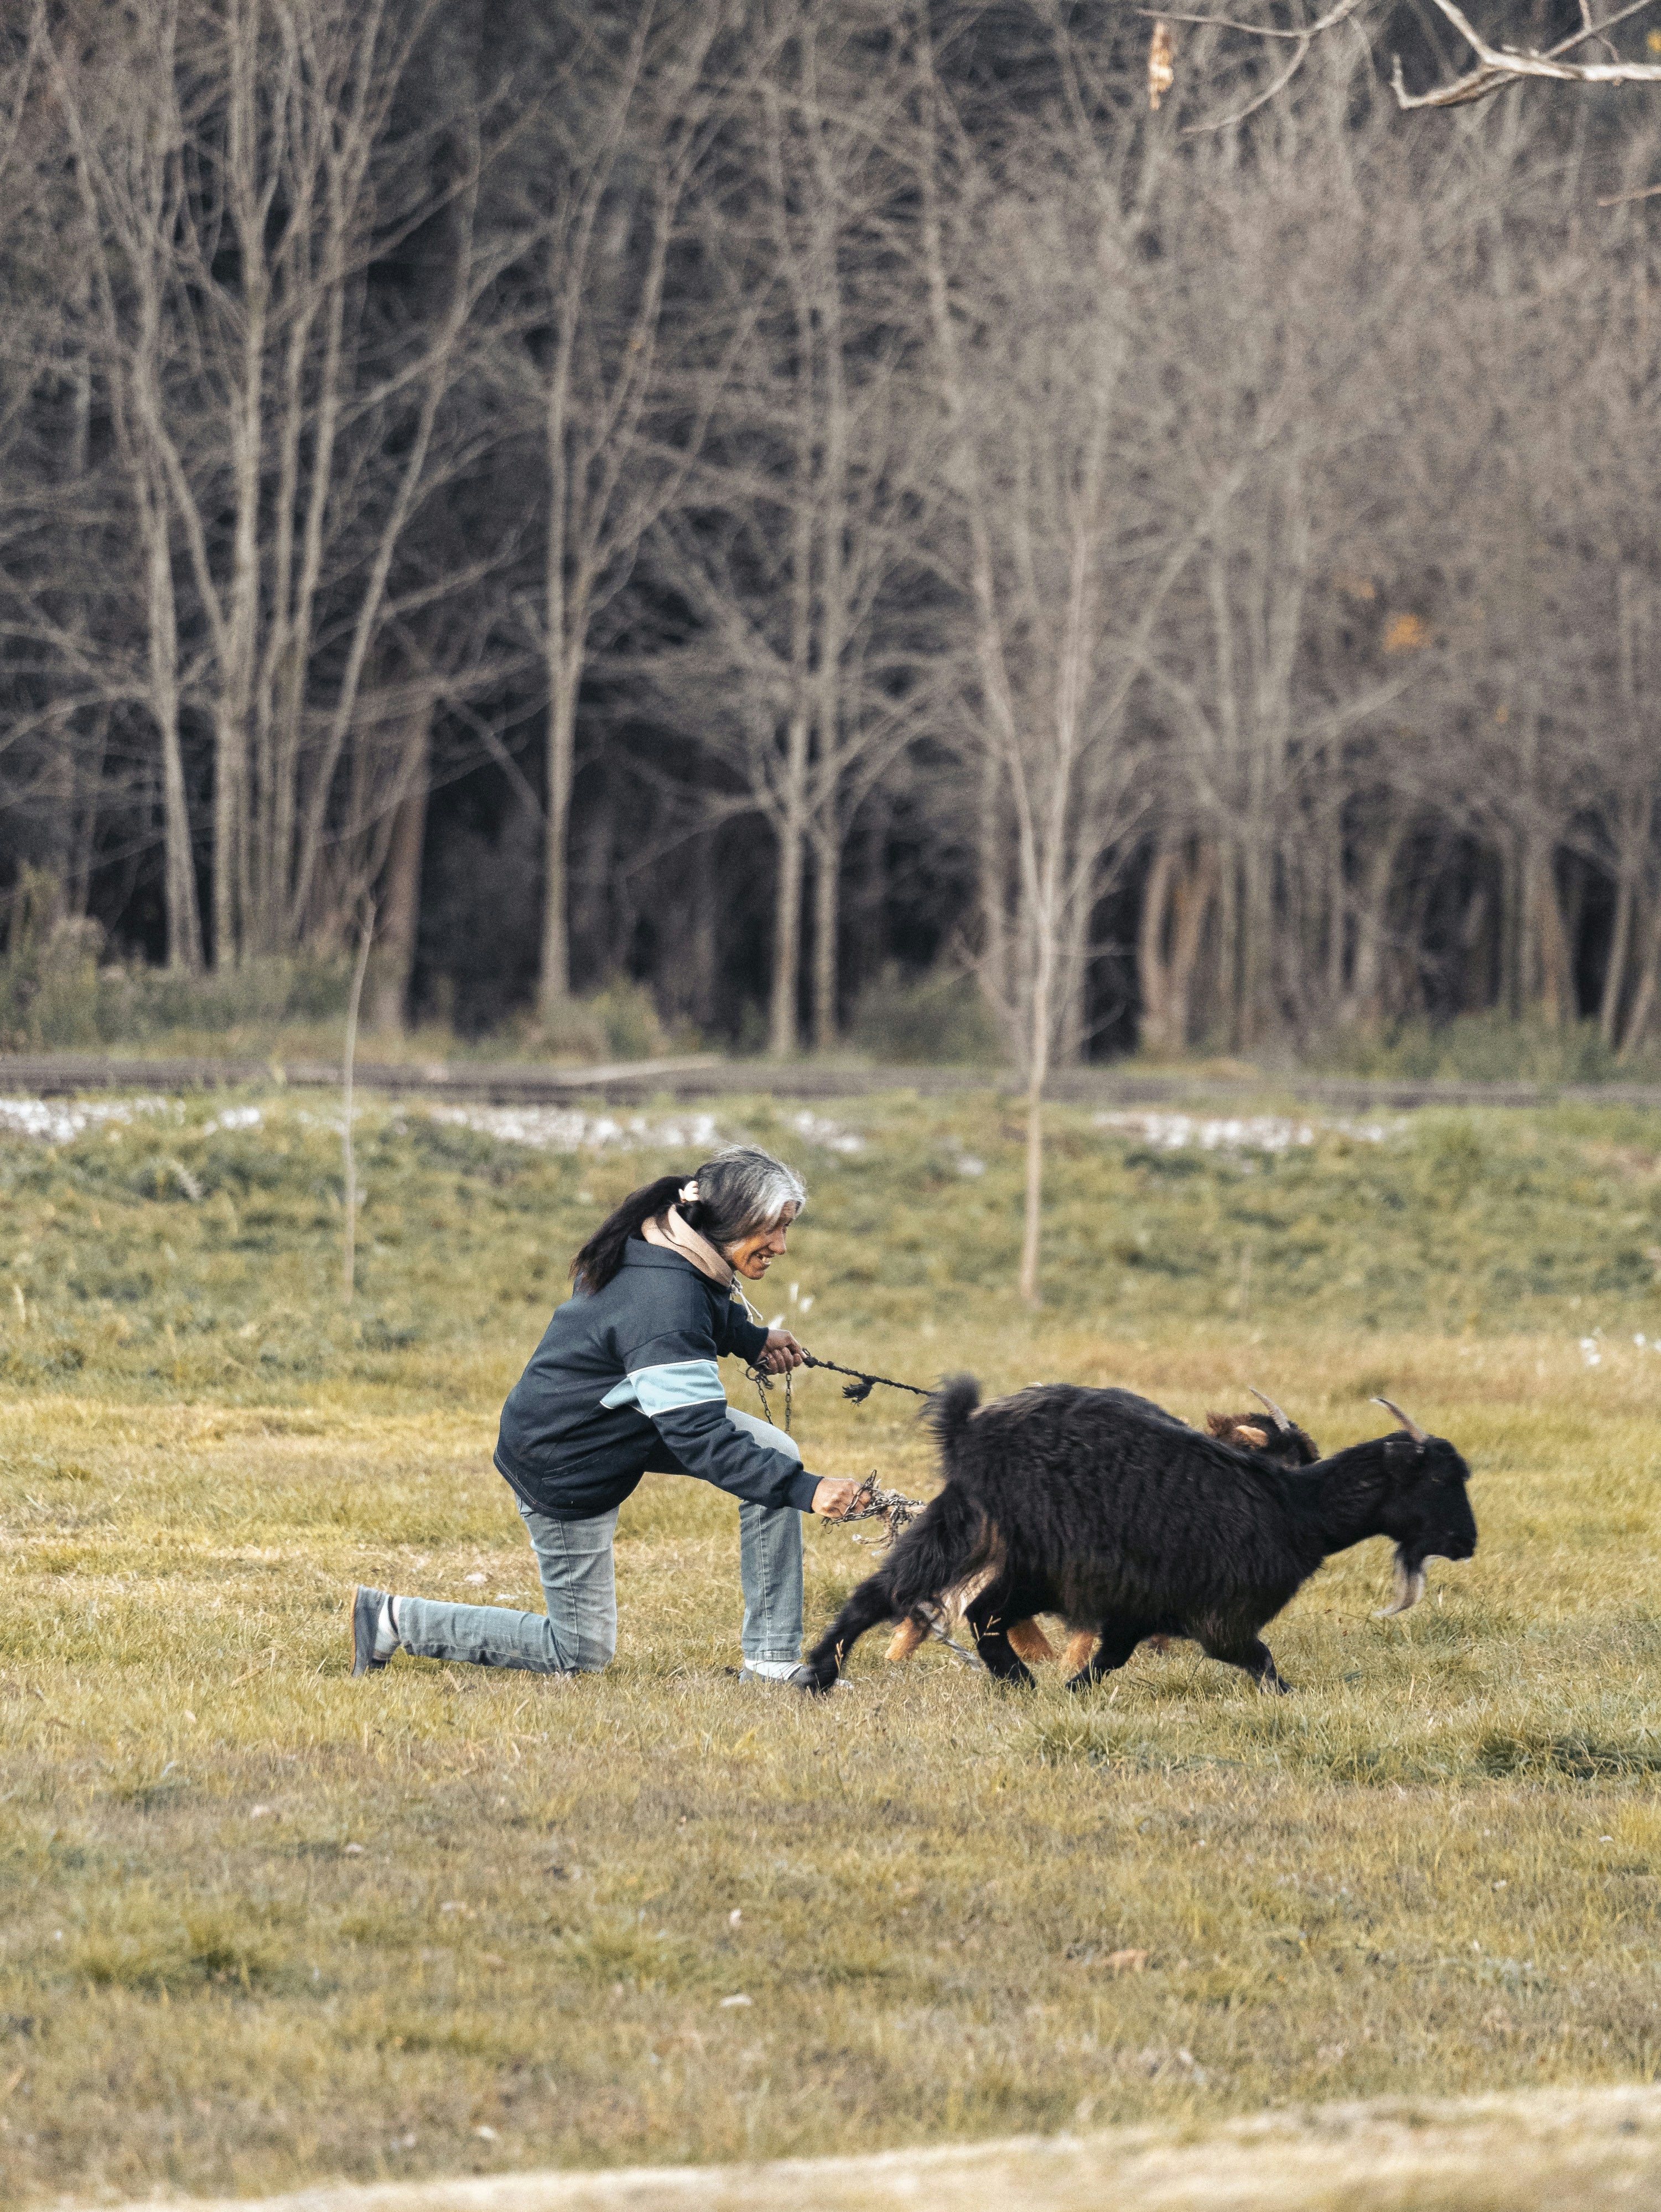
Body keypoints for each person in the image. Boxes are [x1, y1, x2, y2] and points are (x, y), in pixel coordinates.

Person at [349, 1145, 859, 1685]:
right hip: (566, 1455)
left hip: (628, 1420)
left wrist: (749, 1338)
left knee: (774, 1455)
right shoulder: (663, 1296)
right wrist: (807, 1491)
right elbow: (697, 1434)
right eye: (771, 1230)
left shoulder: (668, 1245)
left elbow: (695, 1312)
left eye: (786, 1229)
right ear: (729, 1222)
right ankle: (392, 1620)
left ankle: (770, 1660)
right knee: (579, 1649)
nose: (781, 1245)